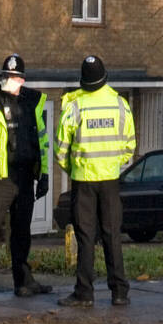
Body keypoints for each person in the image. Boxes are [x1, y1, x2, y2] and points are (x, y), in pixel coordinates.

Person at [0, 54, 53, 300]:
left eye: (15, 76)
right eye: (7, 75)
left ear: (22, 79)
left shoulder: (32, 103)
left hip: (25, 176)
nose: (10, 79)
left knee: (22, 231)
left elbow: (43, 141)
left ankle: (23, 282)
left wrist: (45, 173)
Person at [54, 55, 136, 307]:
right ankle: (119, 291)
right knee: (112, 235)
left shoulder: (75, 106)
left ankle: (84, 292)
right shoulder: (120, 105)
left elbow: (60, 150)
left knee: (86, 237)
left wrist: (75, 168)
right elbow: (129, 146)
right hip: (110, 180)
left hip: (84, 181)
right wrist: (112, 164)